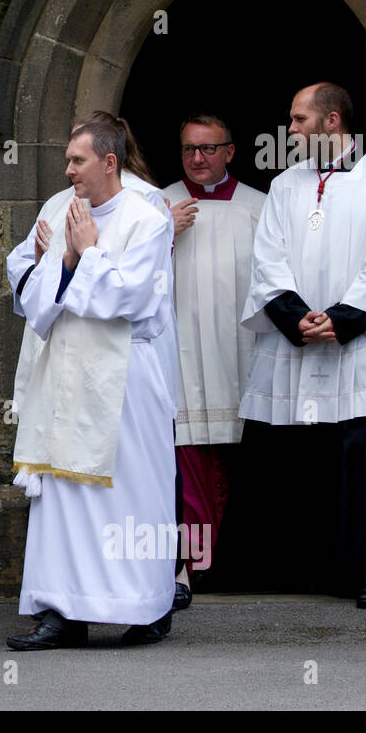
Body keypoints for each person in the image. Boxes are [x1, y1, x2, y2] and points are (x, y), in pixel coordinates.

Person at [239, 82, 366, 607]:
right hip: (300, 338)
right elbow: (267, 260)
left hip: (364, 342)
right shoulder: (285, 185)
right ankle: (316, 567)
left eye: (299, 119)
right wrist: (296, 316)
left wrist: (343, 319)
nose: (291, 129)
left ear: (332, 121)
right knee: (308, 455)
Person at [5, 117, 177, 649]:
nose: (68, 170)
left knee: (132, 493)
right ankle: (63, 611)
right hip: (65, 372)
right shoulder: (60, 210)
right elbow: (31, 294)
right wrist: (61, 259)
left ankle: (145, 606)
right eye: (67, 160)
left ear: (109, 162)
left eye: (77, 160)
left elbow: (133, 296)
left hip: (125, 376)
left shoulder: (148, 217)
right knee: (63, 495)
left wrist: (89, 253)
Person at [160, 113, 266, 606]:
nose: (197, 158)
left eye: (207, 148)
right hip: (181, 347)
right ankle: (195, 564)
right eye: (188, 149)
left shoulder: (258, 207)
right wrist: (163, 232)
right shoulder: (157, 205)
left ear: (230, 152)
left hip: (242, 347)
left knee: (241, 454)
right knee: (188, 456)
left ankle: (241, 561)